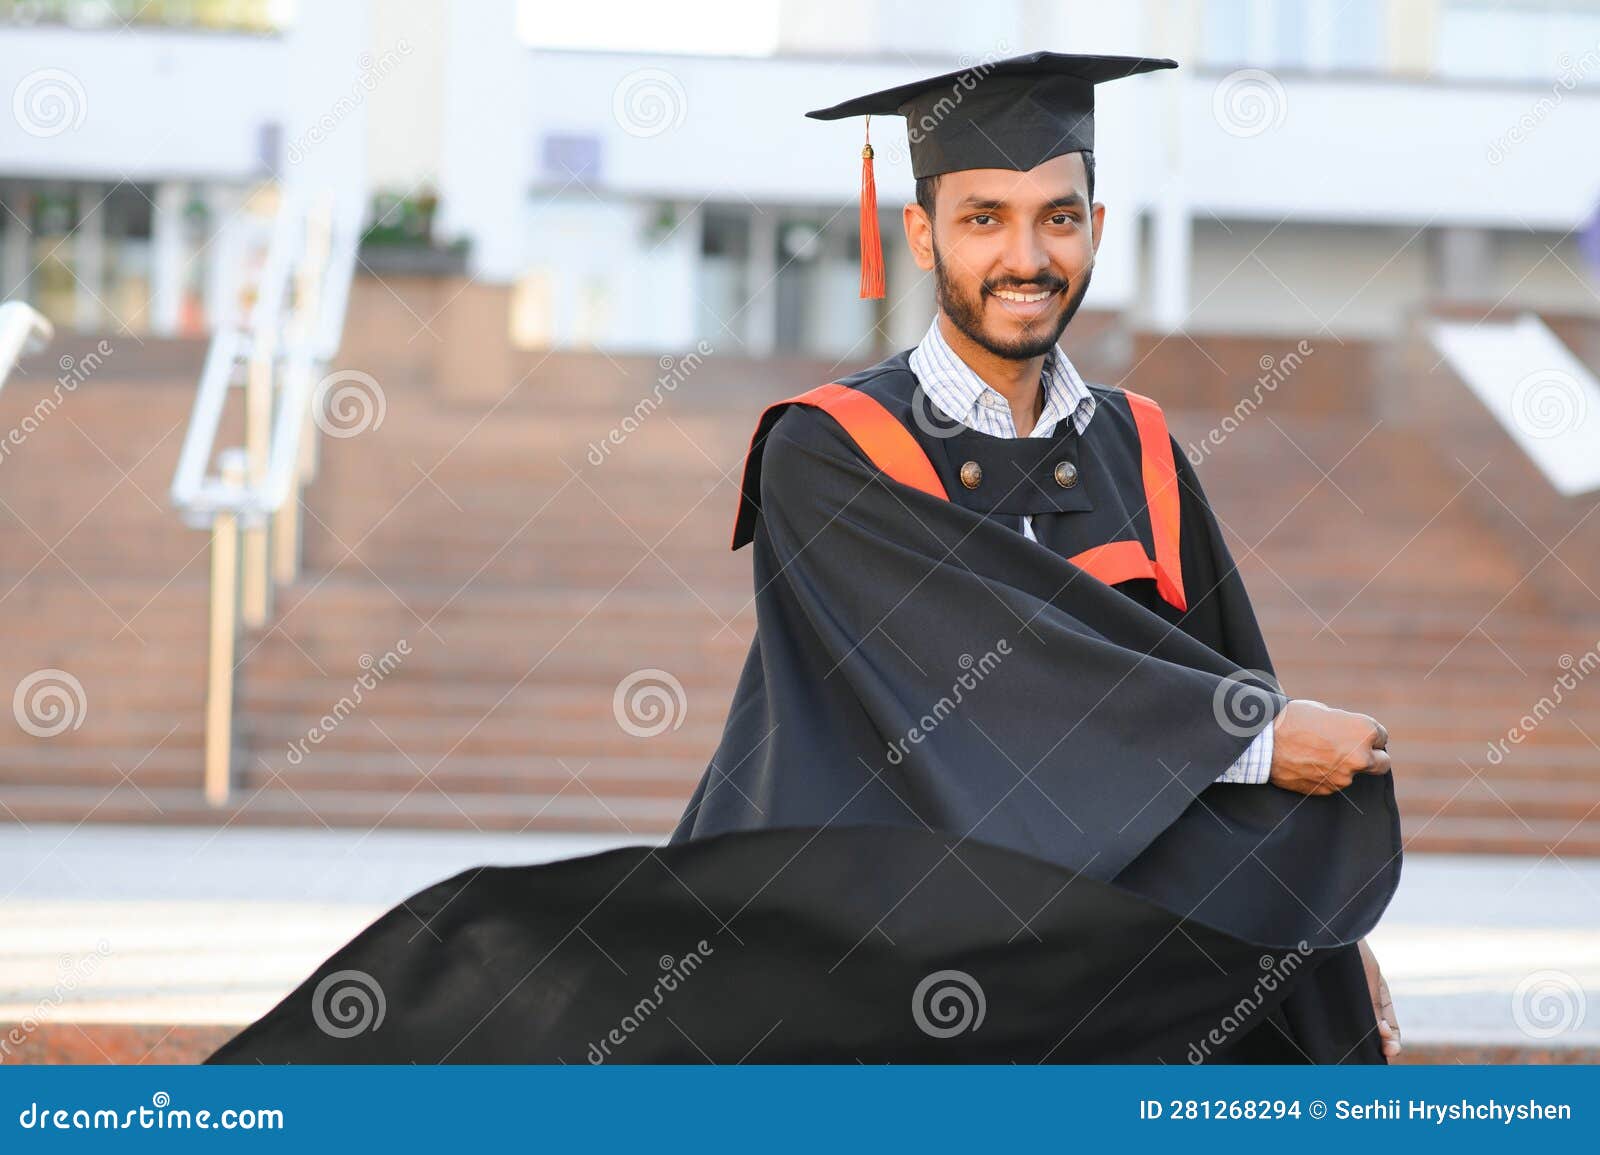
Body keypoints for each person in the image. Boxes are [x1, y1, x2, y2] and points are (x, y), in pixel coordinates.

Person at [208, 52, 1401, 1066]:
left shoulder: (1140, 452)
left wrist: (1331, 942)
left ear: (1093, 227)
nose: (1025, 255)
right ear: (922, 231)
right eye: (983, 218)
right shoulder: (830, 448)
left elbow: (1236, 703)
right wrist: (1248, 732)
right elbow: (980, 676)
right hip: (864, 938)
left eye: (1058, 215)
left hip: (1093, 947)